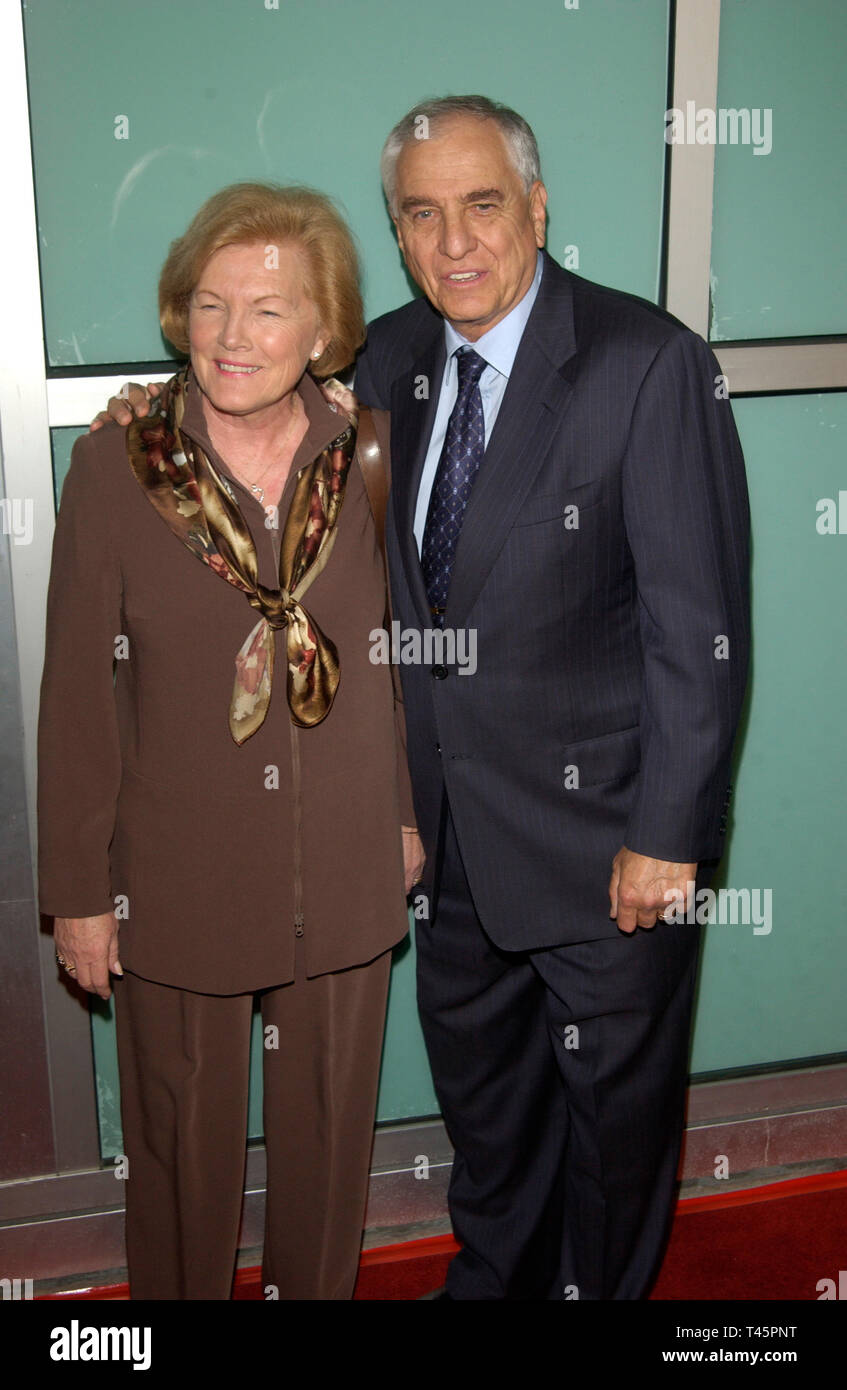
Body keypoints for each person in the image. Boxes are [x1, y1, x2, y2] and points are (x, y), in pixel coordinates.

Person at [99, 95, 751, 1301]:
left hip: (605, 845)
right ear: (396, 235)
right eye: (421, 214)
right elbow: (252, 389)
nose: (454, 241)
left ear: (537, 208)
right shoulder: (386, 363)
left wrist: (668, 836)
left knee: (610, 1140)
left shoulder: (646, 362)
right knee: (492, 1121)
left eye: (482, 205)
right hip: (444, 845)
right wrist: (149, 422)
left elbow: (698, 628)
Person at [39, 181, 424, 1301]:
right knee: (177, 1162)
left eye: (268, 308)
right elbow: (76, 697)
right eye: (211, 305)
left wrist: (402, 812)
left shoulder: (369, 458)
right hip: (172, 883)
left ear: (322, 329)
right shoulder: (117, 467)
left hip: (346, 866)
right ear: (180, 316)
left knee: (327, 1154)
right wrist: (77, 892)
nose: (233, 335)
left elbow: (393, 653)